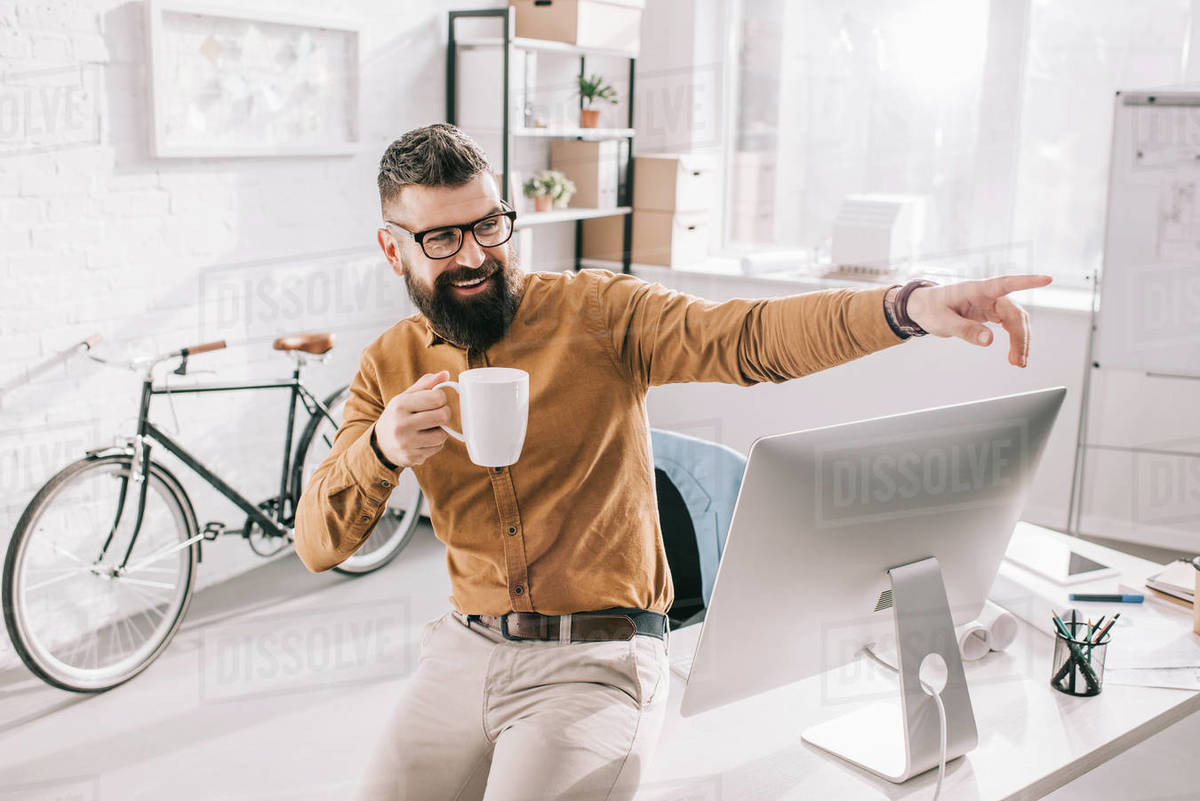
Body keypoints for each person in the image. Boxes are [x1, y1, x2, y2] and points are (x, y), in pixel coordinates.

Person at [294, 123, 1050, 801]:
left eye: (489, 226)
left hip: (596, 664)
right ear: (393, 247)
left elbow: (746, 336)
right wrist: (380, 450)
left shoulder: (596, 313)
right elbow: (317, 543)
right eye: (442, 239)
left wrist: (904, 308)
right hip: (462, 649)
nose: (475, 256)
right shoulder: (390, 364)